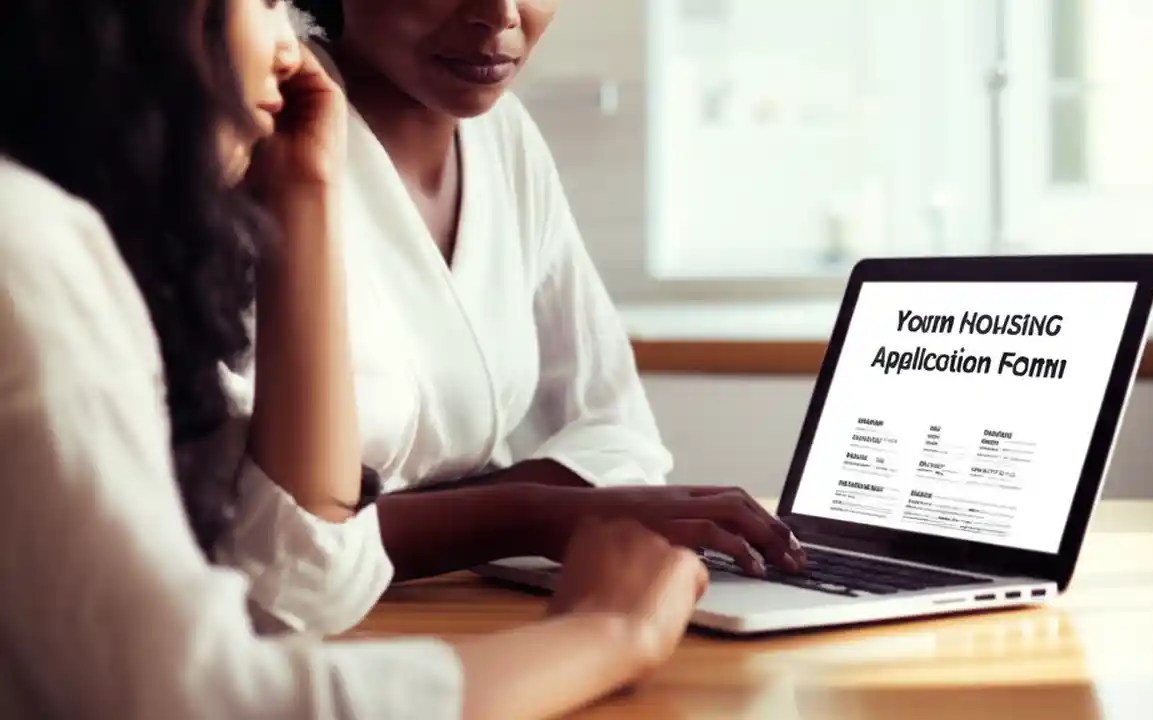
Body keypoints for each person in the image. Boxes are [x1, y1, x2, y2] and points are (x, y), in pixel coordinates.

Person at [0, 1, 707, 717]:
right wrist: (608, 633)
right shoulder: (25, 251)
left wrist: (307, 186)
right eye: (269, 2)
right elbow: (212, 691)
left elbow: (314, 578)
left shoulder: (70, 233)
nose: (291, 48)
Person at [279, 0, 810, 581]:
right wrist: (534, 514)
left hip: (465, 603)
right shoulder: (264, 141)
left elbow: (620, 435)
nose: (500, 15)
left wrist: (442, 519)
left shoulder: (505, 140)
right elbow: (267, 533)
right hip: (293, 636)